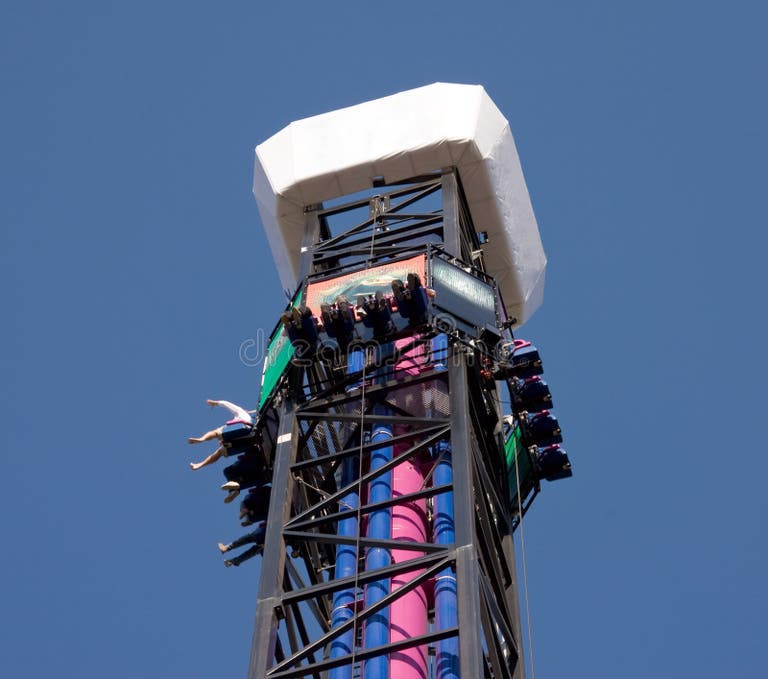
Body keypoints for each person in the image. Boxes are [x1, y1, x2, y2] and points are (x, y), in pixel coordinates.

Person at [189, 399, 253, 471]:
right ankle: (199, 465)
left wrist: (215, 403)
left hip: (241, 429)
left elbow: (227, 404)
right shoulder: (251, 420)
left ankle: (201, 439)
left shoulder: (242, 412)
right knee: (221, 451)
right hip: (248, 440)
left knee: (216, 432)